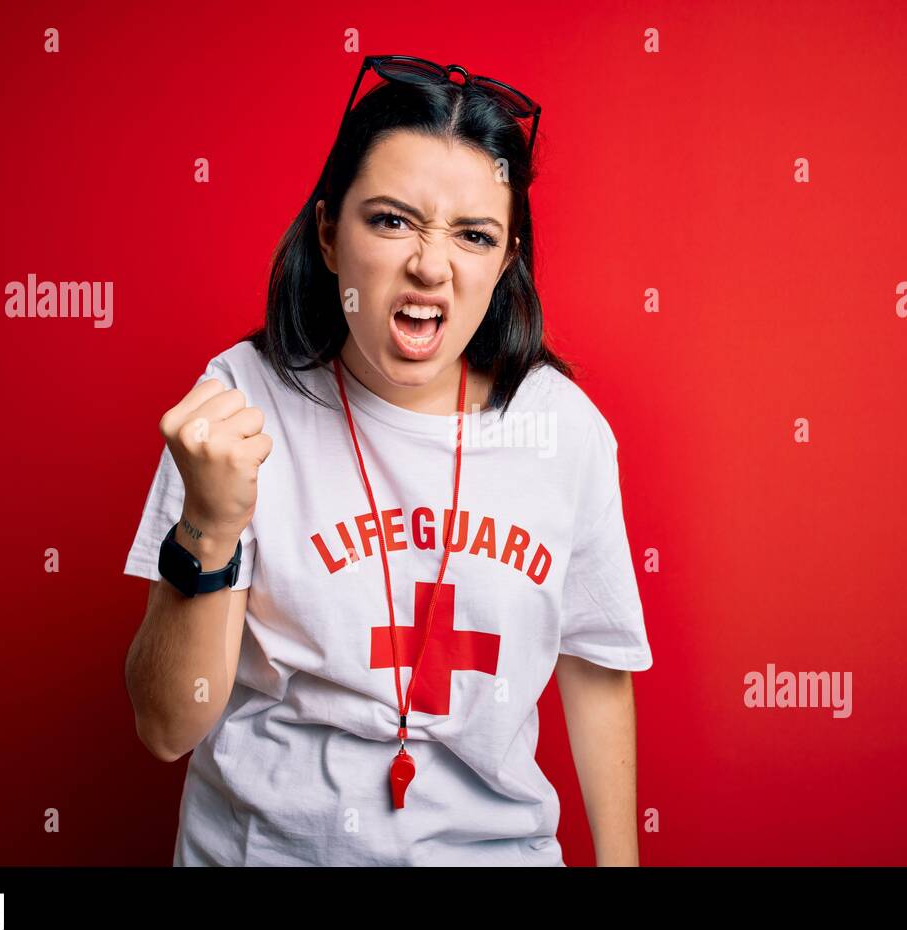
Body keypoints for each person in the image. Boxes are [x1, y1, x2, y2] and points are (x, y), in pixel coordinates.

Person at [122, 55, 653, 866]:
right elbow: (165, 729)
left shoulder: (563, 430)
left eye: (474, 236)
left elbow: (596, 668)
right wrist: (209, 526)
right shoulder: (238, 402)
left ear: (506, 263)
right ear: (330, 235)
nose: (431, 266)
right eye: (393, 221)